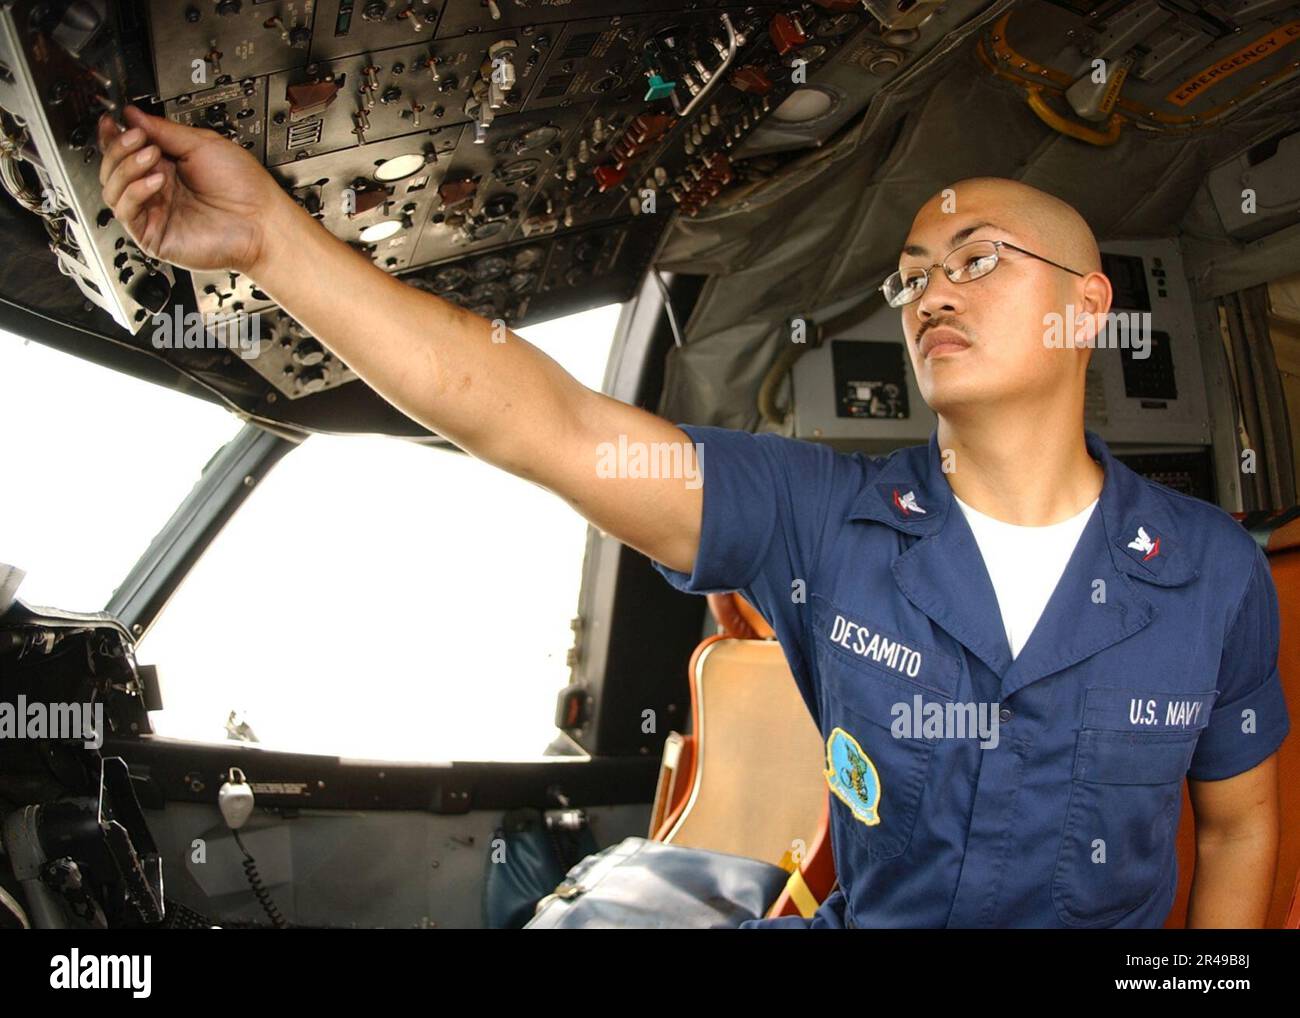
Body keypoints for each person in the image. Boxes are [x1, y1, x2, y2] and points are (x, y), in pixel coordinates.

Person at [96, 107, 1289, 928]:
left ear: (1087, 311)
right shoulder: (820, 520)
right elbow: (545, 421)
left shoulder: (1211, 573)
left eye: (977, 260)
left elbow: (1237, 829)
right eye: (913, 273)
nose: (929, 292)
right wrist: (272, 245)